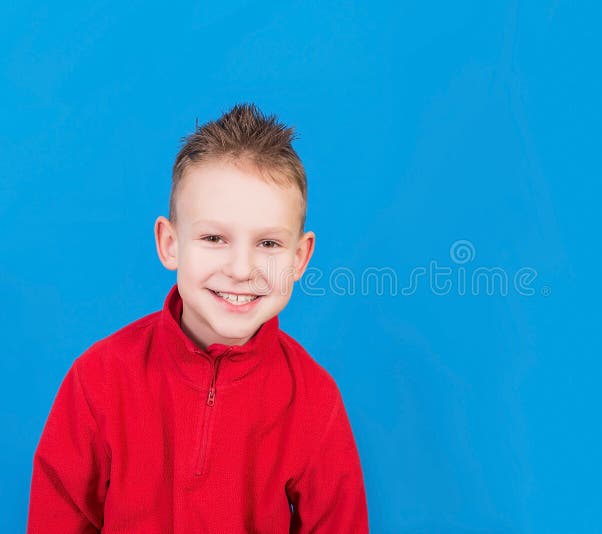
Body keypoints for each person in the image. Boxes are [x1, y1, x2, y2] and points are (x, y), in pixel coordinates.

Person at [27, 103, 369, 533]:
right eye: (213, 238)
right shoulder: (98, 379)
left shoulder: (315, 401)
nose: (242, 268)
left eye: (268, 243)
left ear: (300, 258)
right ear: (170, 243)